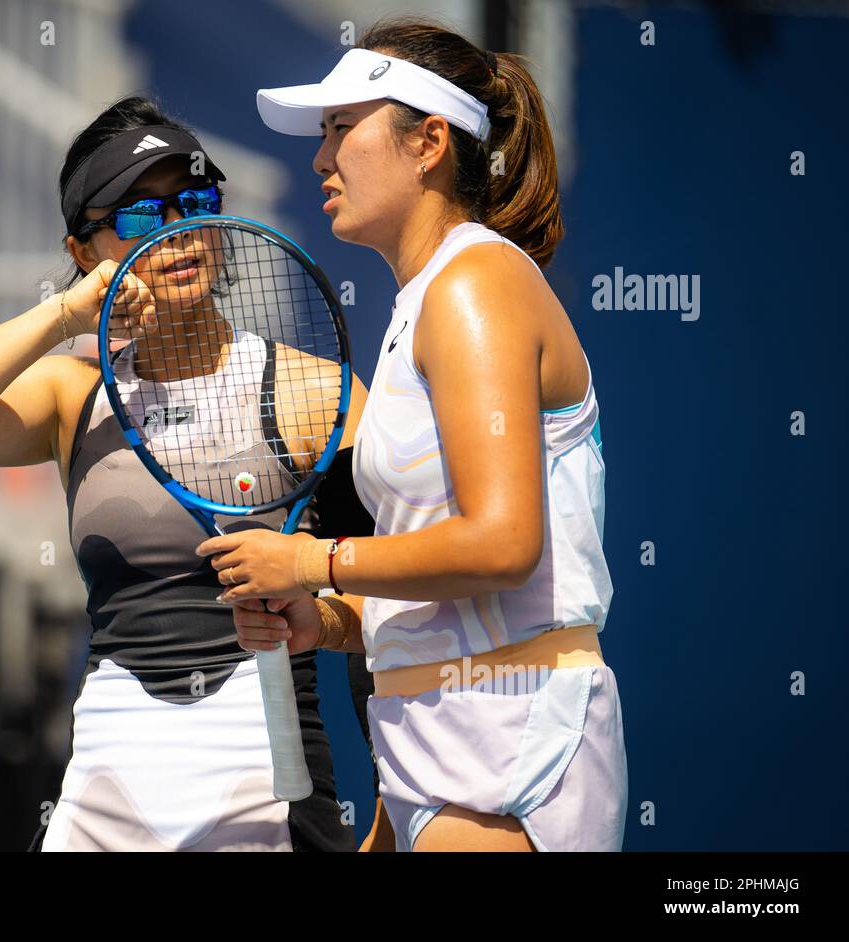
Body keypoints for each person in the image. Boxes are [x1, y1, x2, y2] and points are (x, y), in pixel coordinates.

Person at [0, 96, 367, 851]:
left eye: (194, 202)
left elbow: (391, 603)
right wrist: (60, 319)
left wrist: (324, 615)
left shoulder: (310, 392)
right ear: (84, 251)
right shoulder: (73, 394)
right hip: (112, 768)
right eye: (140, 215)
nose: (174, 231)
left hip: (266, 765)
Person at [199, 17, 628, 852]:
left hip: (507, 753)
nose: (320, 160)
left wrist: (310, 561)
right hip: (433, 756)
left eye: (340, 130)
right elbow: (439, 577)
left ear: (429, 142)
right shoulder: (428, 302)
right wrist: (331, 622)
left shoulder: (474, 283)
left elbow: (503, 546)